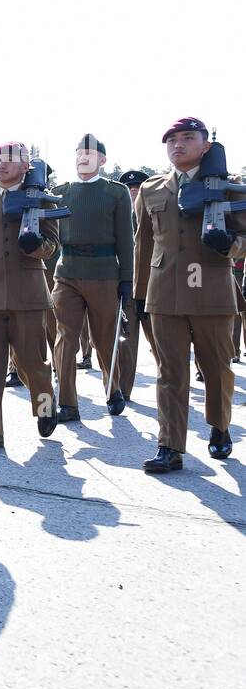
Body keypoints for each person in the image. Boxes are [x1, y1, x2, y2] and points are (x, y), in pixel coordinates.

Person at [134, 117, 246, 472]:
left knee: (216, 368)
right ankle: (170, 445)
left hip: (212, 290)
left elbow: (244, 243)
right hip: (164, 293)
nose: (177, 145)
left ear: (205, 145)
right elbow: (144, 245)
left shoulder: (231, 189)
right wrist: (138, 295)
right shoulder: (152, 189)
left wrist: (230, 244)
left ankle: (220, 426)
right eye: (171, 140)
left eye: (187, 138)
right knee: (170, 372)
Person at [0, 143, 61, 450]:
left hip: (29, 294)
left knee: (32, 364)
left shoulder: (41, 201)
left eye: (10, 160)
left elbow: (52, 246)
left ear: (26, 167)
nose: (1, 164)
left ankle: (46, 409)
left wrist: (35, 243)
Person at [50, 134, 133, 420]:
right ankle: (67, 403)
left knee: (104, 336)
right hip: (68, 273)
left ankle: (113, 390)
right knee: (65, 337)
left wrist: (127, 279)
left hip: (104, 273)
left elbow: (126, 240)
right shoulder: (60, 192)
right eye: (78, 153)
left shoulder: (116, 193)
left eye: (89, 153)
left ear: (102, 160)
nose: (82, 157)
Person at [116, 169, 156, 399]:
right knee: (126, 342)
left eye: (137, 188)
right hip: (126, 285)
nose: (133, 192)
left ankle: (169, 382)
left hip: (152, 286)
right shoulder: (118, 216)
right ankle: (123, 390)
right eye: (129, 189)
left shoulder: (153, 212)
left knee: (160, 342)